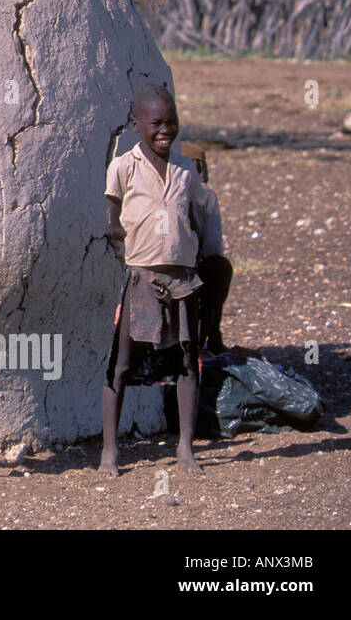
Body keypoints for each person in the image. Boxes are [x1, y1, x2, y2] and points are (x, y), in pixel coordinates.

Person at [101, 84, 206, 478]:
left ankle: (185, 447)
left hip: (182, 278)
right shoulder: (124, 167)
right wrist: (128, 235)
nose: (165, 130)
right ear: (135, 125)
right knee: (121, 364)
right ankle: (109, 451)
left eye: (171, 122)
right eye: (156, 123)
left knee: (186, 362)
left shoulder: (185, 170)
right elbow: (111, 218)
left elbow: (191, 220)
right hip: (143, 276)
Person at [179, 141, 232, 353]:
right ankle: (213, 334)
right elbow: (213, 245)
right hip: (192, 266)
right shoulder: (206, 194)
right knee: (219, 268)